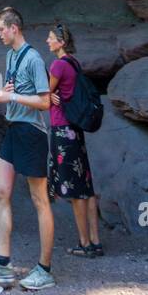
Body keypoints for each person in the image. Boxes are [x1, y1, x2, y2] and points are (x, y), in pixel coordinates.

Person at [0, 7, 55, 290]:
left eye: (0, 29)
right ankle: (2, 264)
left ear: (14, 28)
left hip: (32, 132)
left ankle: (44, 270)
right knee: (1, 191)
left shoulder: (33, 57)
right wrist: (6, 94)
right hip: (13, 128)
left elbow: (45, 102)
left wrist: (13, 95)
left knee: (39, 199)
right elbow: (17, 90)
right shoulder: (11, 56)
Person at [46, 23, 103, 257]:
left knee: (74, 189)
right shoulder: (74, 63)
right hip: (75, 129)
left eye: (50, 38)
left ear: (61, 42)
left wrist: (47, 95)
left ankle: (84, 243)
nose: (48, 41)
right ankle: (95, 241)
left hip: (61, 129)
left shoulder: (58, 65)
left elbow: (44, 95)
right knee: (86, 186)